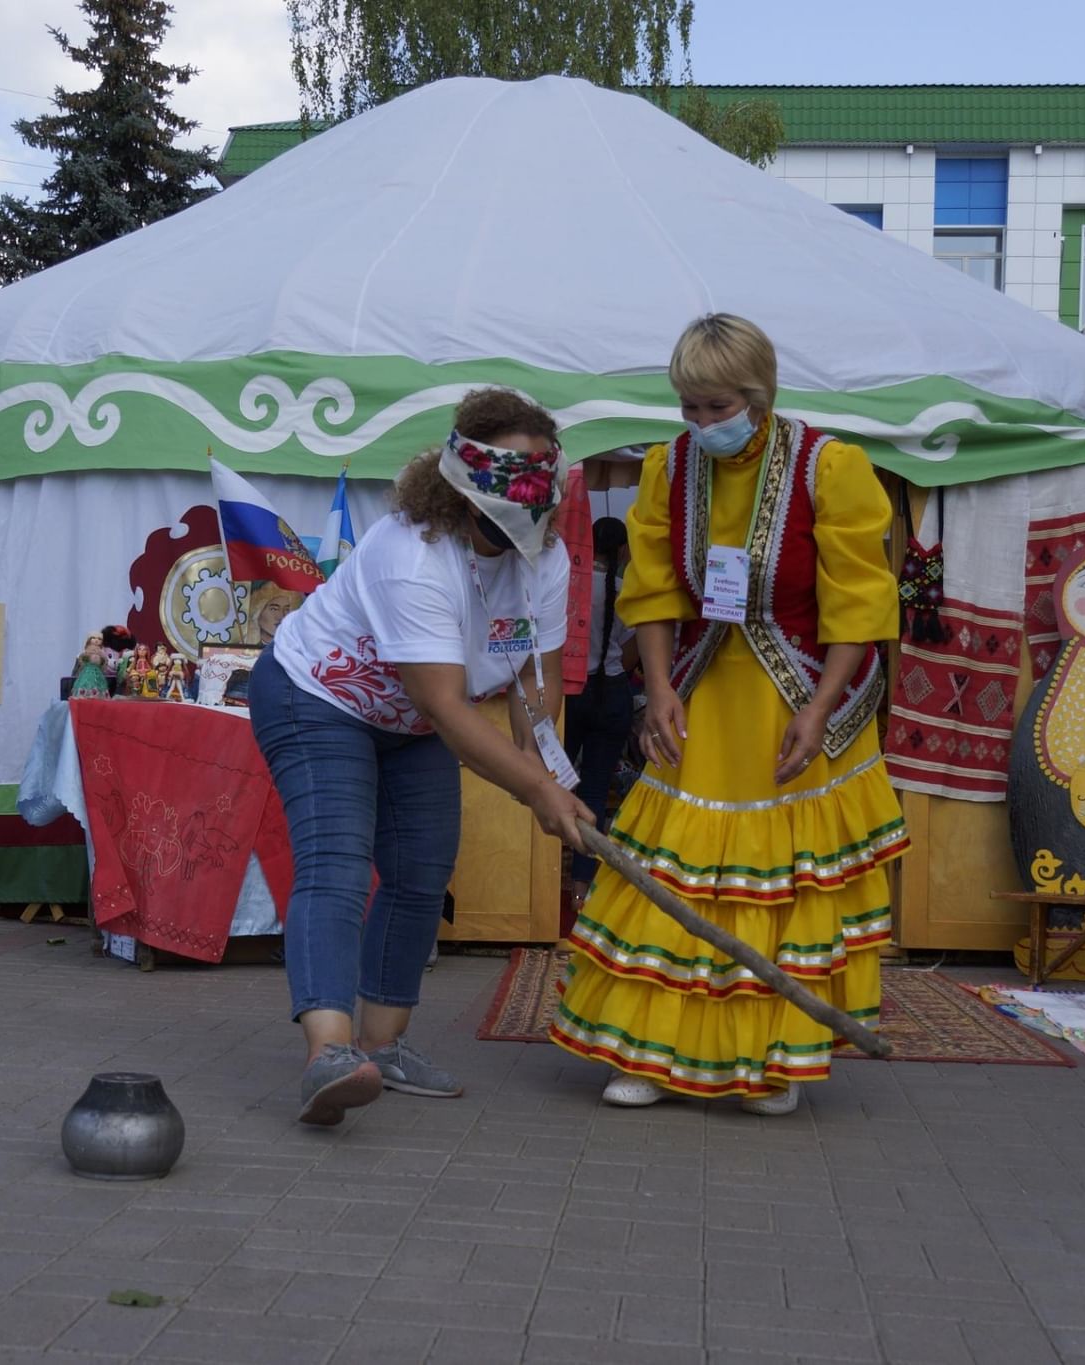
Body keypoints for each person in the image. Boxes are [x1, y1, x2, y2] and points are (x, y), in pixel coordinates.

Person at [549, 314, 908, 1116]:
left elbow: (860, 603)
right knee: (670, 869)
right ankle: (646, 1052)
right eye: (688, 408)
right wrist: (657, 688)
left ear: (758, 394)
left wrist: (817, 710)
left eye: (715, 406)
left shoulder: (832, 466)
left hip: (806, 693)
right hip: (701, 687)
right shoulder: (666, 470)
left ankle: (766, 1063)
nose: (701, 423)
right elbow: (650, 588)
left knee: (779, 886)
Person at [252, 387, 594, 1127]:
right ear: (462, 492)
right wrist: (534, 790)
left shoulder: (549, 558)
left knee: (422, 868)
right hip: (318, 698)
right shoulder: (412, 554)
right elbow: (446, 706)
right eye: (502, 519)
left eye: (530, 517)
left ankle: (384, 1045)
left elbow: (537, 690)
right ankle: (328, 1054)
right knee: (337, 862)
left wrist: (557, 780)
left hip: (411, 720)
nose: (516, 536)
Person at [564, 516, 640, 909]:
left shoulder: (569, 585)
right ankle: (582, 887)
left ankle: (541, 889)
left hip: (569, 693)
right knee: (595, 792)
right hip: (611, 694)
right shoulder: (626, 591)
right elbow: (629, 657)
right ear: (624, 551)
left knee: (554, 785)